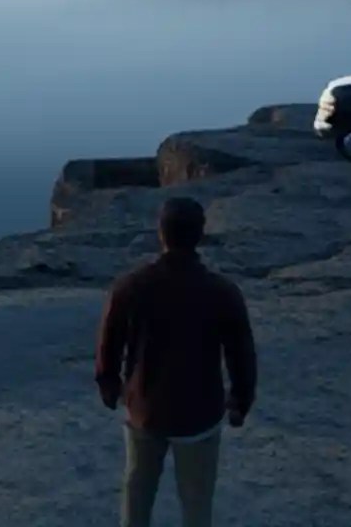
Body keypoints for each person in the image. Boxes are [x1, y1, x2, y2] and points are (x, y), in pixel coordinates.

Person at [94, 197, 257, 527]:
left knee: (137, 491)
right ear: (200, 235)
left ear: (160, 233)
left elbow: (109, 344)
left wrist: (110, 386)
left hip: (145, 408)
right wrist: (240, 402)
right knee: (196, 505)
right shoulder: (222, 292)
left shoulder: (130, 286)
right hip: (200, 413)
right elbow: (241, 353)